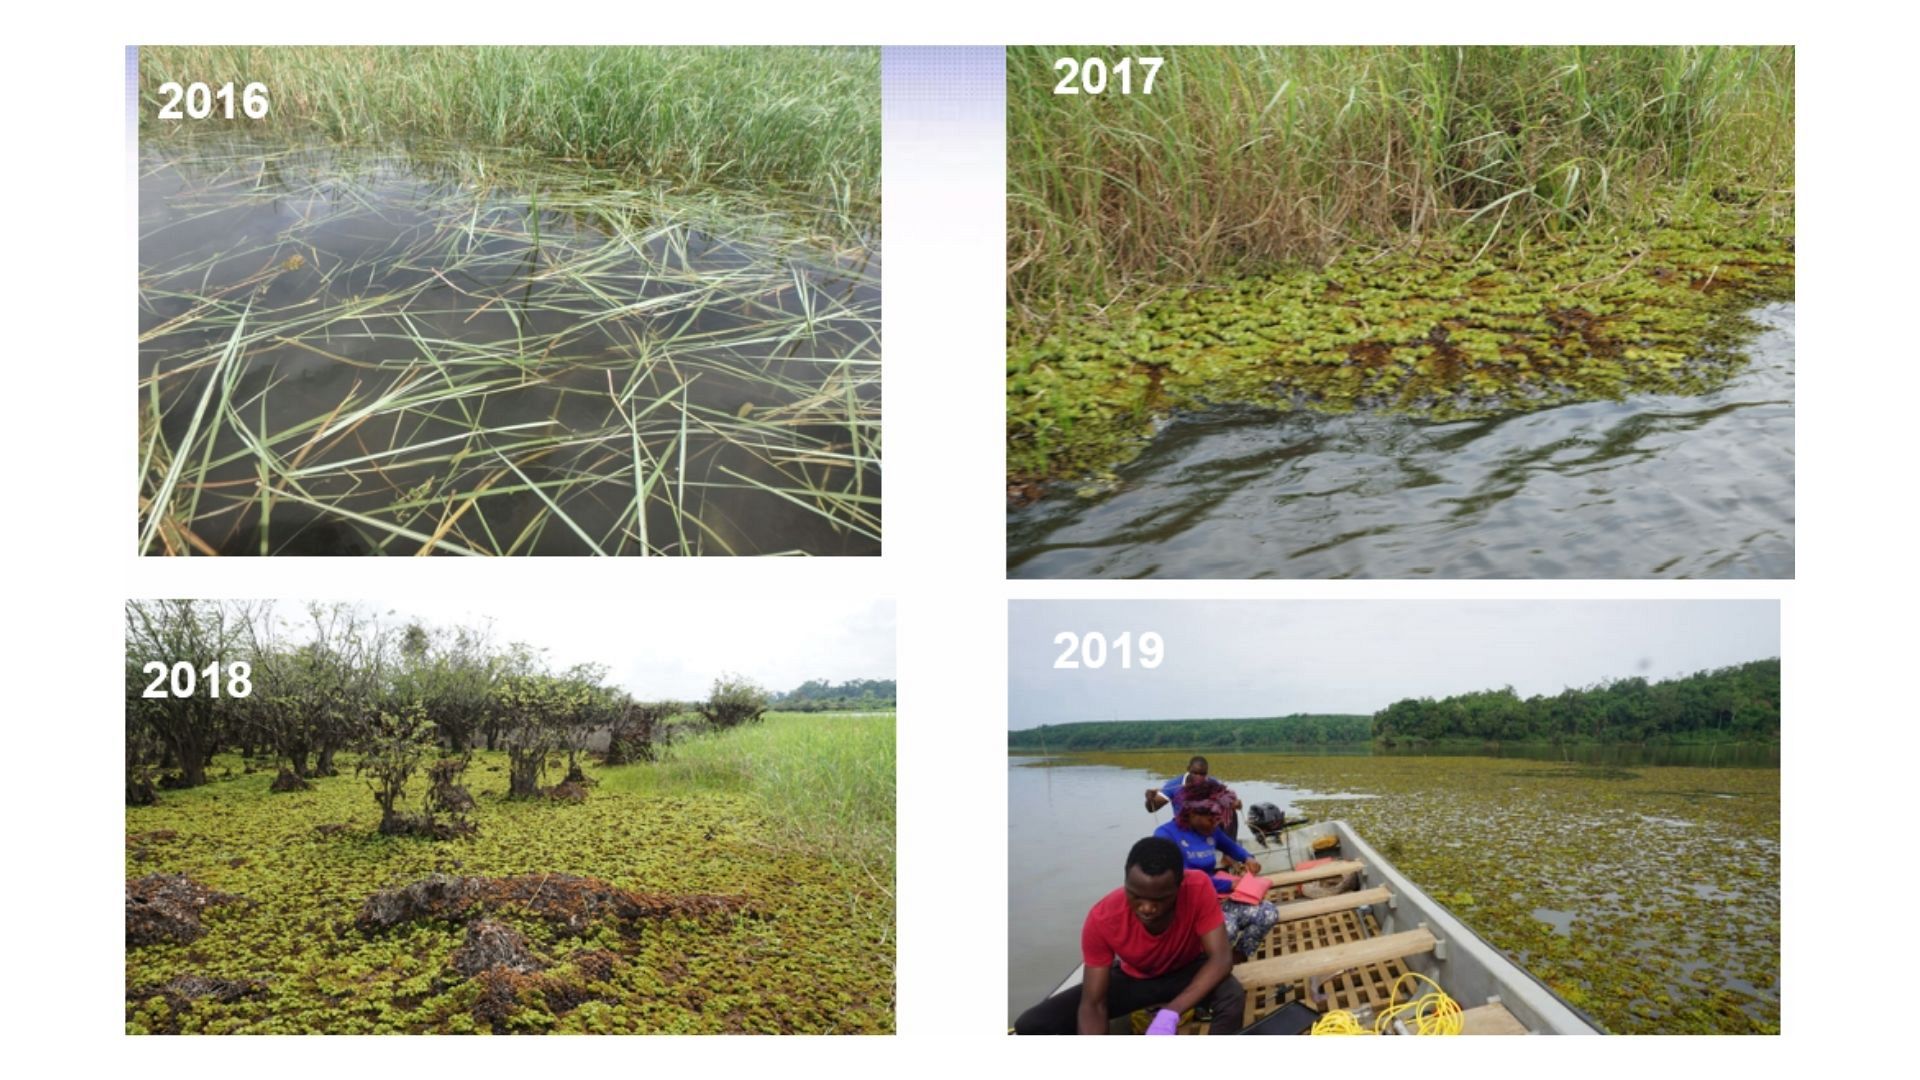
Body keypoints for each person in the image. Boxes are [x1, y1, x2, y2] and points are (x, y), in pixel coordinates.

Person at [1013, 837, 1245, 1035]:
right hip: (1136, 979)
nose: (1146, 908)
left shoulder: (1197, 887)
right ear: (1125, 881)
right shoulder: (1102, 918)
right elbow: (1094, 1003)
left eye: (1159, 900)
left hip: (1186, 971)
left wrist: (1171, 1012)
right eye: (1136, 896)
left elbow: (1221, 959)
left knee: (1232, 998)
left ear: (1179, 886)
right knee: (1031, 1025)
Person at [1153, 797, 1278, 961]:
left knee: (1268, 912)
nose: (1215, 824)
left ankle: (1237, 957)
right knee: (1227, 928)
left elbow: (1231, 847)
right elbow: (1184, 877)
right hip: (1191, 904)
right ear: (1191, 814)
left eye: (1217, 819)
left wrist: (1248, 858)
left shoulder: (1211, 829)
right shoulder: (1165, 835)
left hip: (1217, 897)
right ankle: (1203, 965)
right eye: (1211, 819)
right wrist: (1229, 884)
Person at [1145, 755, 1241, 840]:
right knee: (1161, 835)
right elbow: (1151, 808)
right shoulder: (1175, 784)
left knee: (1229, 811)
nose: (1199, 778)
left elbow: (1228, 801)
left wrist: (1235, 804)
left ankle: (1227, 855)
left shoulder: (1212, 783)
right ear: (1188, 769)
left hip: (1206, 824)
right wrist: (1150, 799)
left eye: (1202, 774)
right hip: (1184, 824)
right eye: (1195, 773)